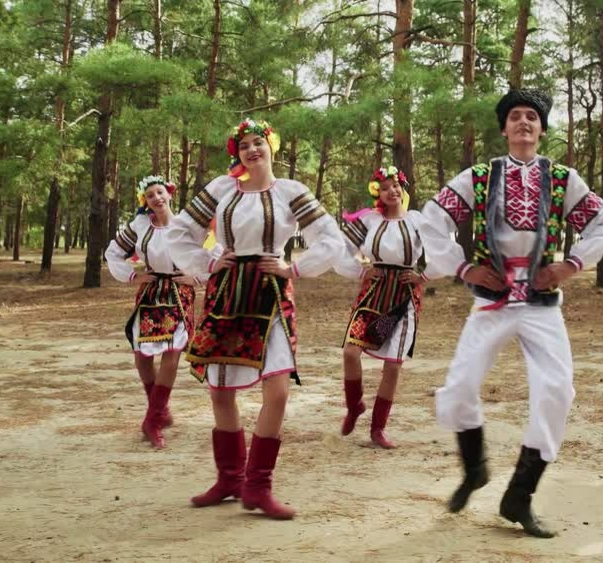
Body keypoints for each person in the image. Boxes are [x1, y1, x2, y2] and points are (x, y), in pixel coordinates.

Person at [419, 89, 603, 537]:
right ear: (504, 128)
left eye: (532, 116)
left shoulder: (562, 179)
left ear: (542, 129)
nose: (524, 123)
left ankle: (520, 495)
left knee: (556, 390)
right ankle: (475, 469)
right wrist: (464, 268)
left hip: (540, 302)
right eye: (515, 116)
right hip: (491, 299)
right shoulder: (479, 176)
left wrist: (570, 265)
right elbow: (430, 220)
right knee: (459, 386)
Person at [167, 118, 345, 519]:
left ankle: (259, 486)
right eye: (244, 145)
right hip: (227, 292)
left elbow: (330, 237)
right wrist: (208, 261)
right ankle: (230, 479)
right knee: (220, 391)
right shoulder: (221, 189)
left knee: (277, 391)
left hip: (270, 294)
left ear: (271, 146)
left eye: (258, 142)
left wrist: (293, 268)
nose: (251, 150)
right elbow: (179, 233)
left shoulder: (291, 192)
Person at [105, 175, 203, 449]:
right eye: (150, 195)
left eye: (160, 192)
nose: (156, 198)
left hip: (178, 292)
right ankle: (160, 410)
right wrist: (132, 276)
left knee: (172, 353)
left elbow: (213, 250)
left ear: (170, 194)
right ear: (145, 201)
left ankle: (152, 420)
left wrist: (197, 277)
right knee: (142, 357)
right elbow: (113, 252)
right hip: (150, 293)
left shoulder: (186, 224)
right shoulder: (140, 225)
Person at [336, 166, 427, 449]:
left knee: (392, 364)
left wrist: (423, 276)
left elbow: (441, 249)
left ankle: (378, 428)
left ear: (403, 188)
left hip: (402, 299)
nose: (392, 191)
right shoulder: (369, 221)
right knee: (351, 351)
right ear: (378, 193)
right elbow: (339, 248)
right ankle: (355, 406)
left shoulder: (417, 221)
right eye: (385, 187)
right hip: (374, 294)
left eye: (395, 185)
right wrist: (359, 270)